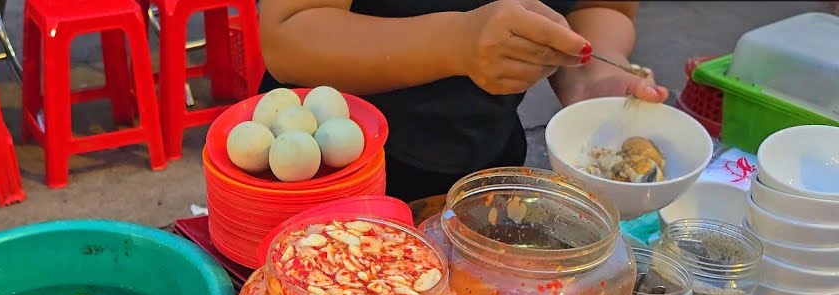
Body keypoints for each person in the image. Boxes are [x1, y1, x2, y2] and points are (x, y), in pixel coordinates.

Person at [258, 0, 670, 201]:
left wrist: (595, 76)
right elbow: (290, 32)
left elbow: (600, 8)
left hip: (479, 174)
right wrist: (455, 44)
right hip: (317, 171)